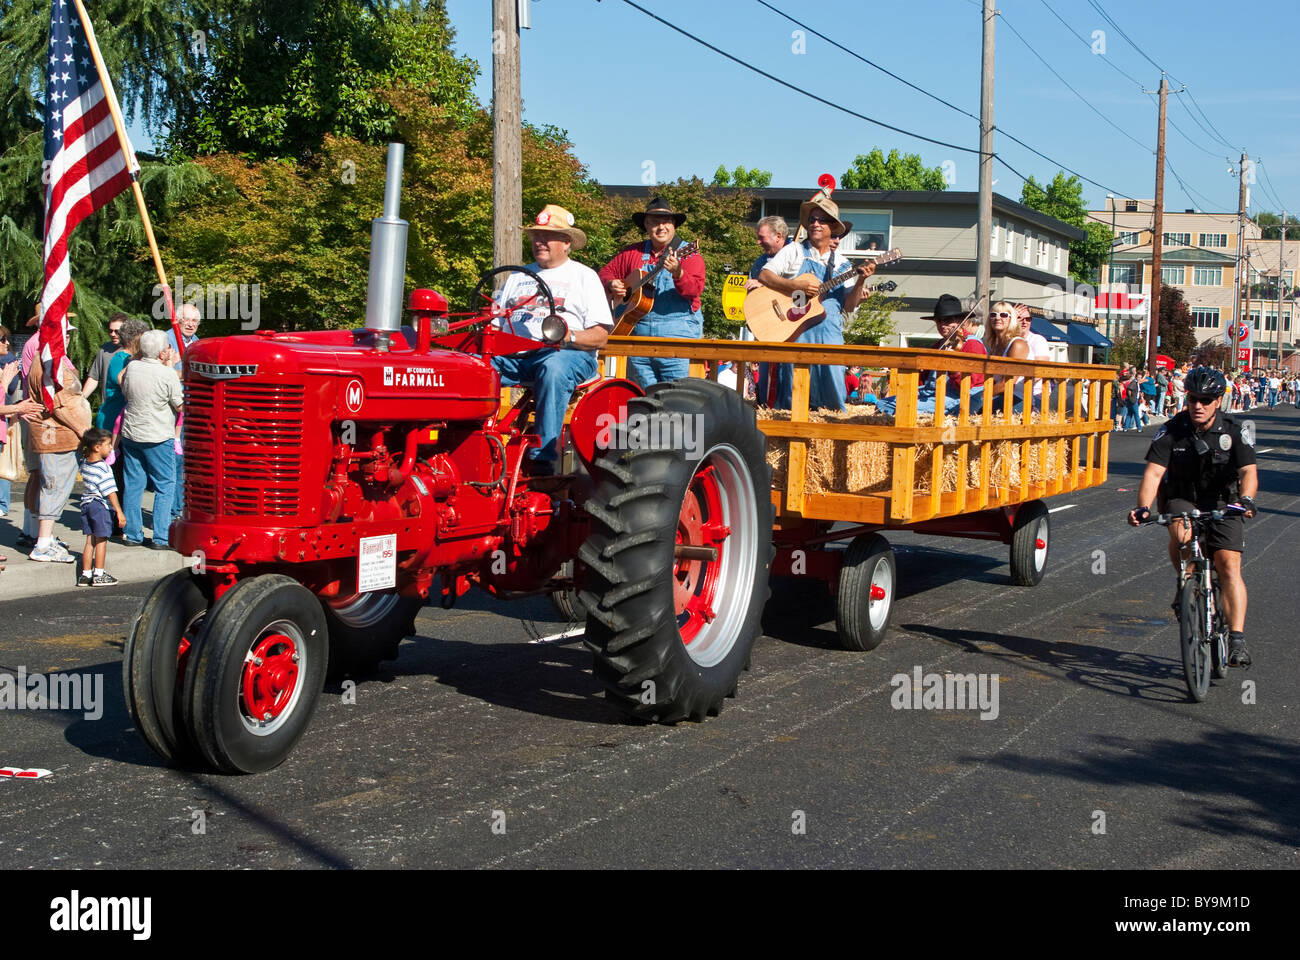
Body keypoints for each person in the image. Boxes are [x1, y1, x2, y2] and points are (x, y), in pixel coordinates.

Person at [1128, 366, 1258, 667]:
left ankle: (1237, 639)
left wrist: (1247, 499)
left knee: (1228, 563)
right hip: (1183, 498)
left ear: (1219, 400)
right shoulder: (1172, 429)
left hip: (1225, 503)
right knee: (1181, 534)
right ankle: (1186, 581)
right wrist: (1143, 507)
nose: (1198, 405)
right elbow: (1154, 473)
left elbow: (1248, 472)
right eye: (1192, 399)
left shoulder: (1235, 431)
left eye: (1206, 400)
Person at [493, 204, 612, 475]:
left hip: (566, 355)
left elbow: (601, 336)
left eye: (548, 236)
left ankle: (543, 456)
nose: (540, 241)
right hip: (516, 356)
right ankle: (469, 441)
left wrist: (569, 336)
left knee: (553, 369)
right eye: (536, 236)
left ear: (566, 243)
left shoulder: (584, 277)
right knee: (473, 365)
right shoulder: (517, 276)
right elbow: (495, 320)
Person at [756, 195, 873, 411]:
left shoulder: (843, 263)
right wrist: (794, 287)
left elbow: (848, 305)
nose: (815, 224)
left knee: (833, 393)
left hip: (829, 335)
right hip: (797, 331)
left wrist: (862, 280)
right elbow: (765, 275)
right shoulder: (795, 251)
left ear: (832, 228)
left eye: (821, 220)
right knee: (793, 392)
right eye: (812, 220)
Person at [599, 197, 705, 389]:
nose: (661, 227)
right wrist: (611, 283)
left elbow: (695, 290)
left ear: (674, 225)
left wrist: (679, 273)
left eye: (666, 222)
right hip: (638, 338)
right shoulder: (632, 252)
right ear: (646, 226)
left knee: (678, 397)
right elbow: (605, 272)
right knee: (642, 398)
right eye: (655, 222)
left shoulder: (690, 254)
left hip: (677, 339)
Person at [872, 294, 986, 416]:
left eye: (947, 320)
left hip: (959, 398)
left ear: (959, 320)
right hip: (932, 394)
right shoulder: (939, 345)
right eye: (938, 320)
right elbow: (923, 379)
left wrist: (953, 368)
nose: (942, 325)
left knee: (904, 408)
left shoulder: (972, 344)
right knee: (883, 404)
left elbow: (967, 388)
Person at [119, 329, 183, 548]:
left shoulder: (133, 368)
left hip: (132, 432)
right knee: (165, 484)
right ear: (162, 353)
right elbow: (180, 404)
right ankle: (161, 536)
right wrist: (172, 368)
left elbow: (125, 393)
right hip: (158, 435)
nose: (170, 350)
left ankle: (133, 534)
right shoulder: (168, 375)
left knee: (133, 484)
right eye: (167, 347)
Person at [24, 354, 91, 562]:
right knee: (54, 487)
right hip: (57, 437)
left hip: (59, 436)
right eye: (65, 331)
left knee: (55, 487)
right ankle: (42, 544)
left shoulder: (51, 360)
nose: (68, 336)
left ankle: (45, 538)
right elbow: (55, 402)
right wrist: (81, 429)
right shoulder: (46, 361)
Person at [75, 427, 125, 586]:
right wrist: (119, 512)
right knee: (101, 540)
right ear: (97, 447)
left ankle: (85, 574)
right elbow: (110, 492)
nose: (111, 447)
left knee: (90, 540)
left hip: (86, 504)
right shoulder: (104, 468)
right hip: (99, 506)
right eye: (108, 444)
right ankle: (99, 573)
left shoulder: (84, 463)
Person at [81, 312, 125, 402]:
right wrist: (80, 400)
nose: (112, 334)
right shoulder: (104, 349)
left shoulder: (135, 352)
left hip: (127, 408)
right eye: (111, 331)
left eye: (117, 331)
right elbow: (94, 378)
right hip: (107, 407)